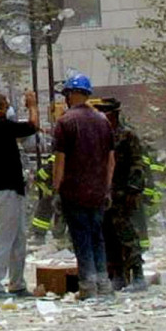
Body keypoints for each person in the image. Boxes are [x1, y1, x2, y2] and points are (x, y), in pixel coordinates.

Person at [50, 73, 115, 300]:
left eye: (67, 94)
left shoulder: (65, 122)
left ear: (72, 94)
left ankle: (88, 285)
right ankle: (103, 283)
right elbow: (110, 159)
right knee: (97, 236)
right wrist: (107, 188)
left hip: (74, 191)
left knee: (81, 238)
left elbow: (60, 160)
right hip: (97, 191)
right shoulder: (102, 121)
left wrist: (56, 190)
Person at [0, 90, 40, 299]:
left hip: (13, 188)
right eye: (6, 106)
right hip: (5, 189)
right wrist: (32, 105)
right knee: (4, 238)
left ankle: (17, 283)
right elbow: (32, 126)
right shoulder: (0, 127)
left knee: (18, 238)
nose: (8, 109)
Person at [95, 98, 148, 293]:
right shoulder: (100, 135)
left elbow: (137, 163)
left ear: (114, 113)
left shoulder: (127, 135)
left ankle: (138, 273)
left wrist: (133, 189)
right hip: (106, 193)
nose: (102, 115)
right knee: (108, 235)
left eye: (105, 112)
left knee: (127, 234)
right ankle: (117, 273)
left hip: (123, 192)